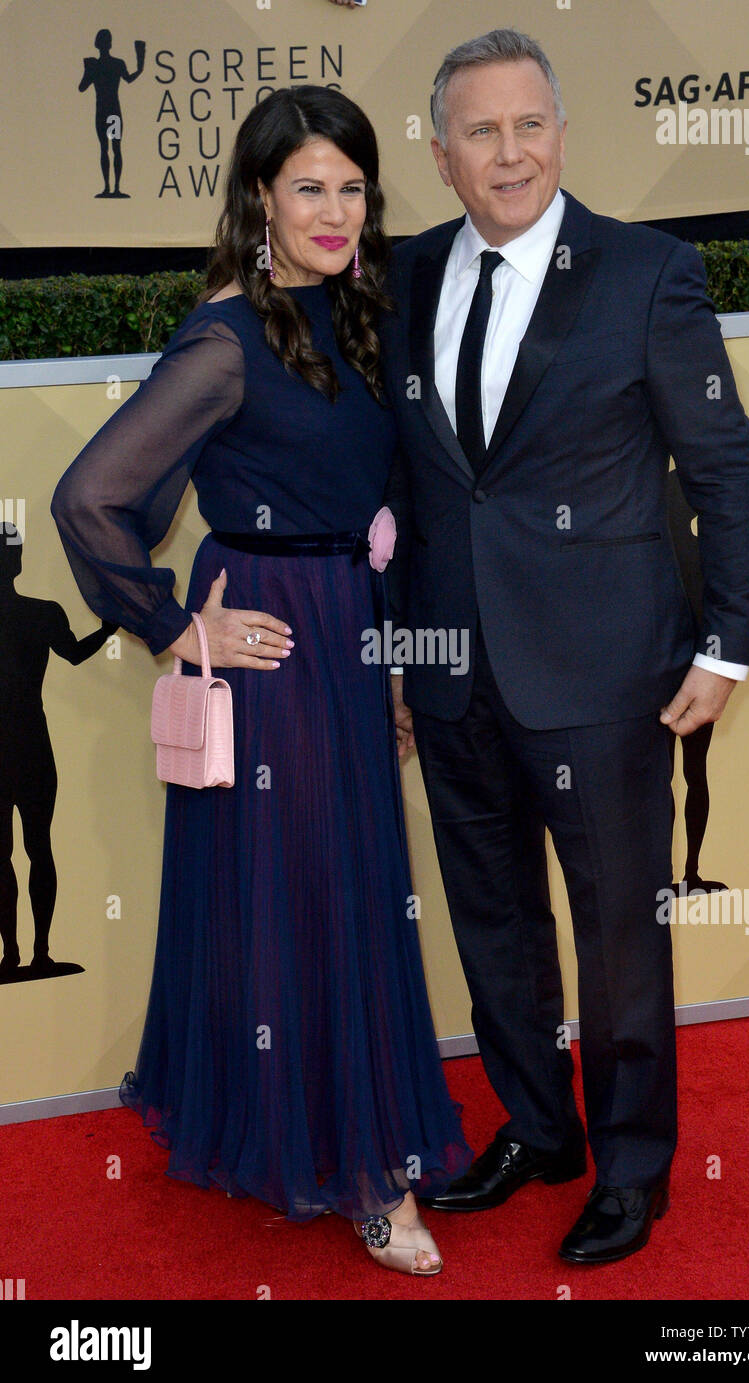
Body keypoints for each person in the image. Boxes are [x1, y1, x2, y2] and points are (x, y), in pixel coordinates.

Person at [51, 84, 472, 1277]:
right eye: (308, 189)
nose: (334, 211)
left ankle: (311, 1127)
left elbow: (375, 510)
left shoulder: (360, 309)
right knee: (305, 896)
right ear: (258, 198)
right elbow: (92, 499)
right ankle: (363, 1175)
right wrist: (179, 626)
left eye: (351, 188)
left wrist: (390, 663)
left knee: (343, 888)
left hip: (349, 626)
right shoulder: (224, 336)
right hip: (272, 641)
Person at [381, 29, 749, 1264]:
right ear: (439, 155)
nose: (511, 152)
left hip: (603, 677)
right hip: (450, 670)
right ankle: (537, 1130)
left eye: (530, 124)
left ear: (560, 132)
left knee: (614, 937)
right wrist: (398, 654)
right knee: (493, 925)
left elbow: (723, 473)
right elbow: (404, 482)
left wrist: (727, 649)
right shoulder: (399, 277)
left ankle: (633, 1169)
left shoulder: (647, 273)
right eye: (482, 132)